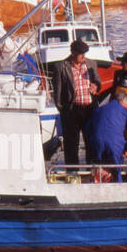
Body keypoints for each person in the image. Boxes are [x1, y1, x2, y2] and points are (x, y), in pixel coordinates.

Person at [51, 39, 101, 168]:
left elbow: (98, 81)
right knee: (71, 144)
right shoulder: (61, 67)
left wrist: (96, 86)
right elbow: (57, 93)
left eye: (85, 53)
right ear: (73, 53)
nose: (83, 56)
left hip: (90, 109)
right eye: (80, 53)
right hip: (72, 110)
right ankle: (73, 172)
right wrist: (64, 111)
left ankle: (92, 169)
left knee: (92, 141)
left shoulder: (91, 64)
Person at [86, 87, 127, 181]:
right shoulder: (125, 112)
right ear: (123, 102)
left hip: (96, 143)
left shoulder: (99, 110)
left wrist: (91, 143)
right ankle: (118, 190)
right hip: (115, 145)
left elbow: (87, 128)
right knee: (116, 171)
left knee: (99, 171)